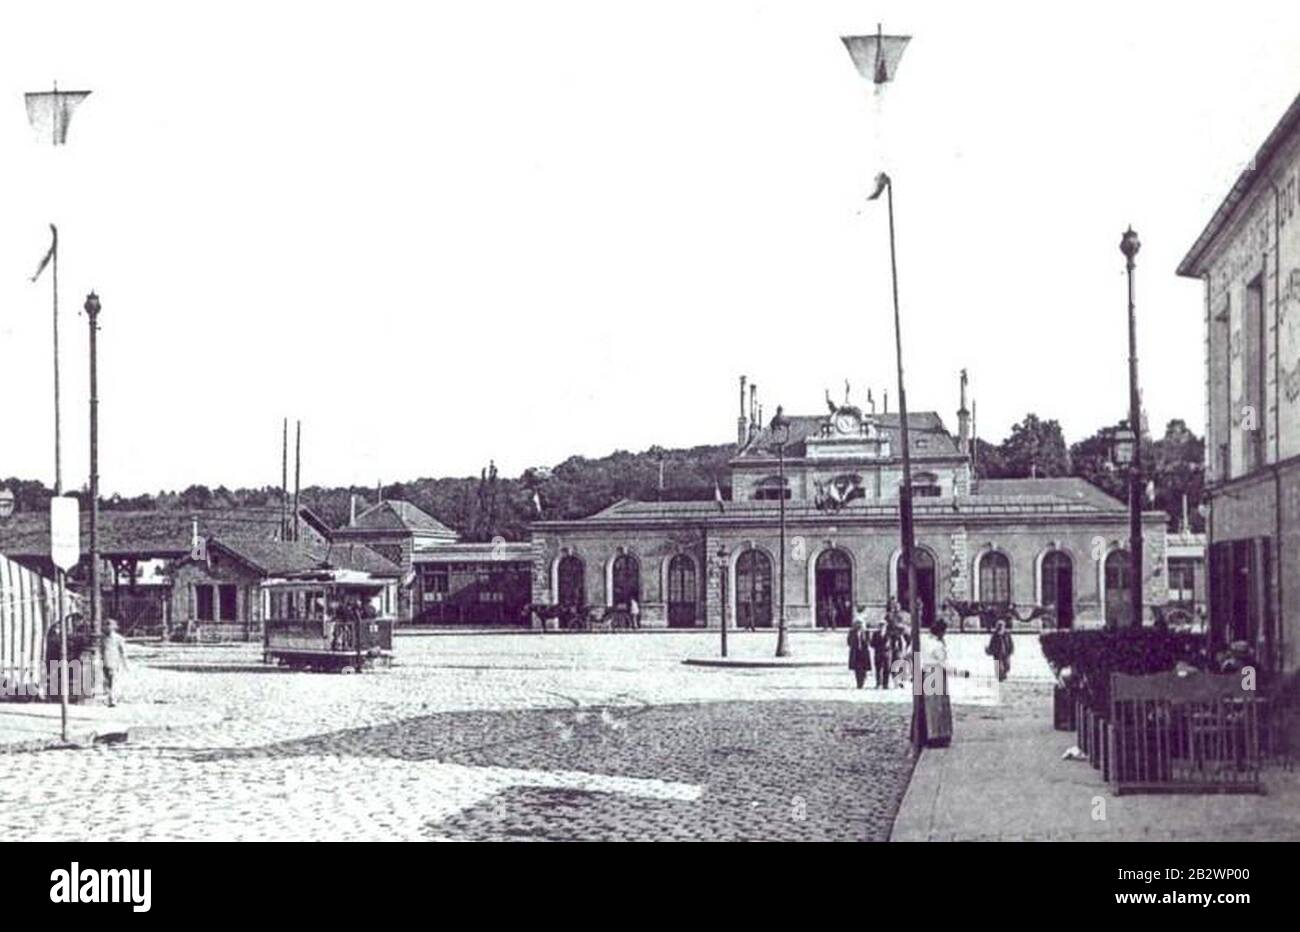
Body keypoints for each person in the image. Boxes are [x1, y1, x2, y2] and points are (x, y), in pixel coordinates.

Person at [918, 618, 969, 747]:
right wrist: (960, 673)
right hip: (937, 675)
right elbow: (944, 664)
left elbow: (910, 654)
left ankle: (928, 735)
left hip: (926, 675)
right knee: (939, 708)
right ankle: (938, 736)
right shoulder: (938, 645)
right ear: (941, 632)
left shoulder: (924, 641)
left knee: (929, 707)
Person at [101, 618, 129, 707]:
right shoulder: (103, 638)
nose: (108, 628)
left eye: (110, 626)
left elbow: (123, 652)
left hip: (114, 662)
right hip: (104, 662)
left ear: (114, 628)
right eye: (106, 626)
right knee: (106, 681)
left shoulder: (119, 639)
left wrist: (125, 663)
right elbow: (100, 650)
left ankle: (112, 699)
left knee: (113, 681)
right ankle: (109, 697)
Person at [846, 619, 871, 689]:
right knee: (857, 669)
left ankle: (863, 680)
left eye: (860, 624)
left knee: (864, 669)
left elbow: (869, 642)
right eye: (858, 624)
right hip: (855, 653)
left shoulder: (866, 632)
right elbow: (848, 642)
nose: (859, 626)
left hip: (864, 653)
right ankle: (859, 683)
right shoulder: (852, 632)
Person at [870, 620, 890, 689]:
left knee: (886, 670)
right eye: (881, 626)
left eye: (883, 625)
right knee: (878, 670)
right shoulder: (875, 634)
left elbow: (893, 644)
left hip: (887, 654)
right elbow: (872, 644)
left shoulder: (889, 634)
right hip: (878, 654)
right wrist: (878, 646)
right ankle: (878, 684)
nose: (882, 627)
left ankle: (885, 684)